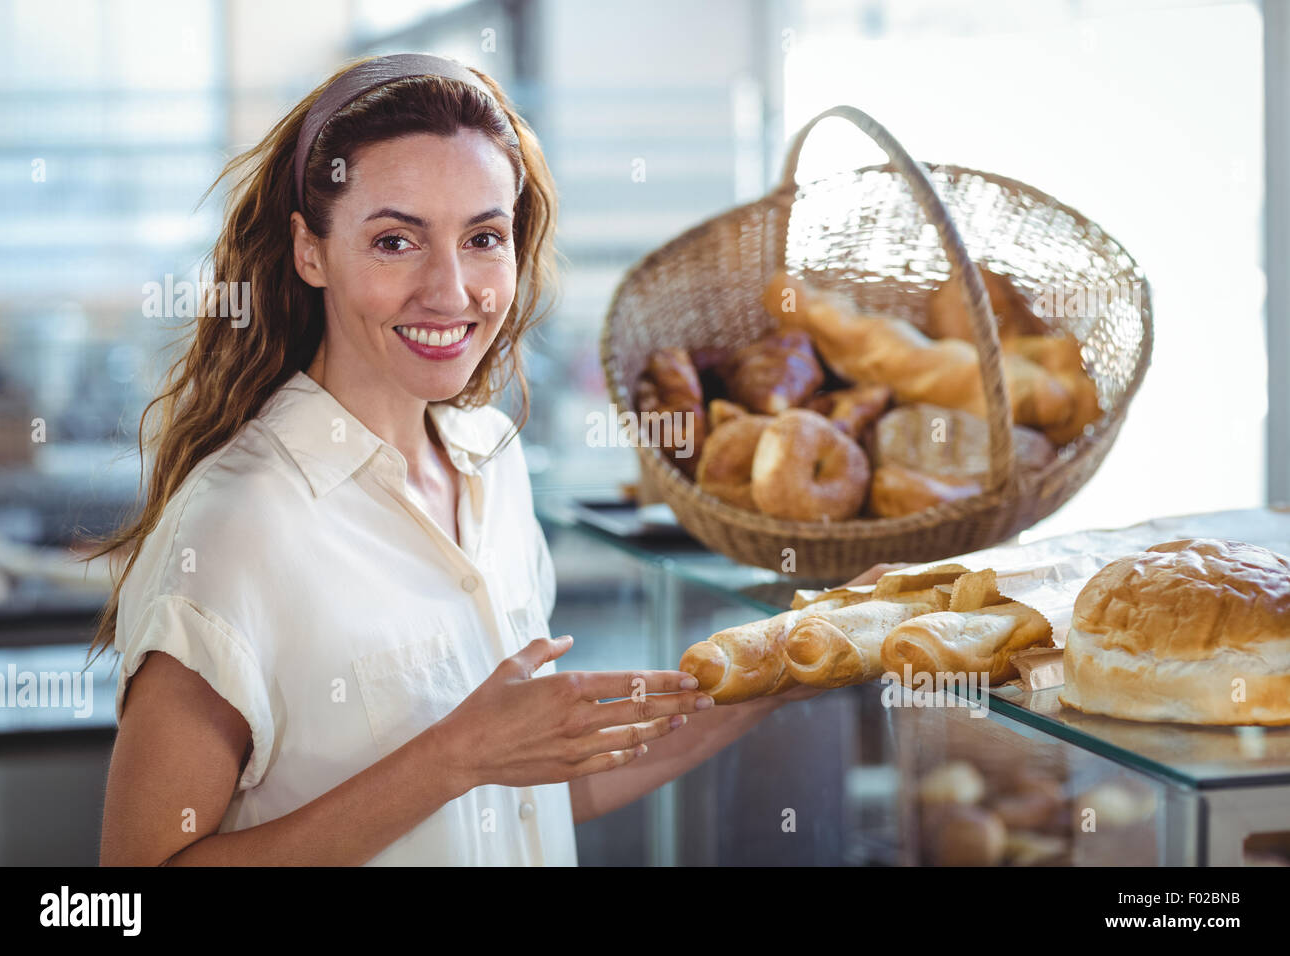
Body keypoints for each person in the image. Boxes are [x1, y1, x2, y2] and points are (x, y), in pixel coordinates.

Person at [88, 52, 891, 866]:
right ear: (310, 251)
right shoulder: (238, 523)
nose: (450, 289)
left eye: (483, 238)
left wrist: (803, 649)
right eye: (396, 241)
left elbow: (533, 792)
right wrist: (452, 758)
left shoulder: (492, 466)